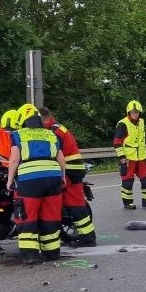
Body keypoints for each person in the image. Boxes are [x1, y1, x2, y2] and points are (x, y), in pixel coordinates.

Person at [6, 104, 66, 264]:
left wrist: (10, 180)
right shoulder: (51, 134)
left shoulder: (18, 134)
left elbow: (14, 159)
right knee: (51, 217)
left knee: (28, 218)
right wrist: (63, 176)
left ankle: (30, 255)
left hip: (29, 181)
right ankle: (52, 253)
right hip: (53, 178)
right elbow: (61, 158)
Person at [39, 106, 95, 247]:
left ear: (46, 119)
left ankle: (88, 238)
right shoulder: (55, 128)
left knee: (75, 205)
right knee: (70, 204)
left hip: (70, 170)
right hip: (71, 169)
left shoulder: (54, 132)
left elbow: (52, 153)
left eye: (38, 120)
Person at [114, 100, 146, 209]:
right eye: (133, 112)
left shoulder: (141, 122)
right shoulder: (122, 124)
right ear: (129, 112)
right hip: (128, 158)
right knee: (128, 182)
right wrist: (122, 157)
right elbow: (117, 142)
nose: (135, 114)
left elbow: (142, 142)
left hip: (141, 157)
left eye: (137, 112)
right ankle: (127, 203)